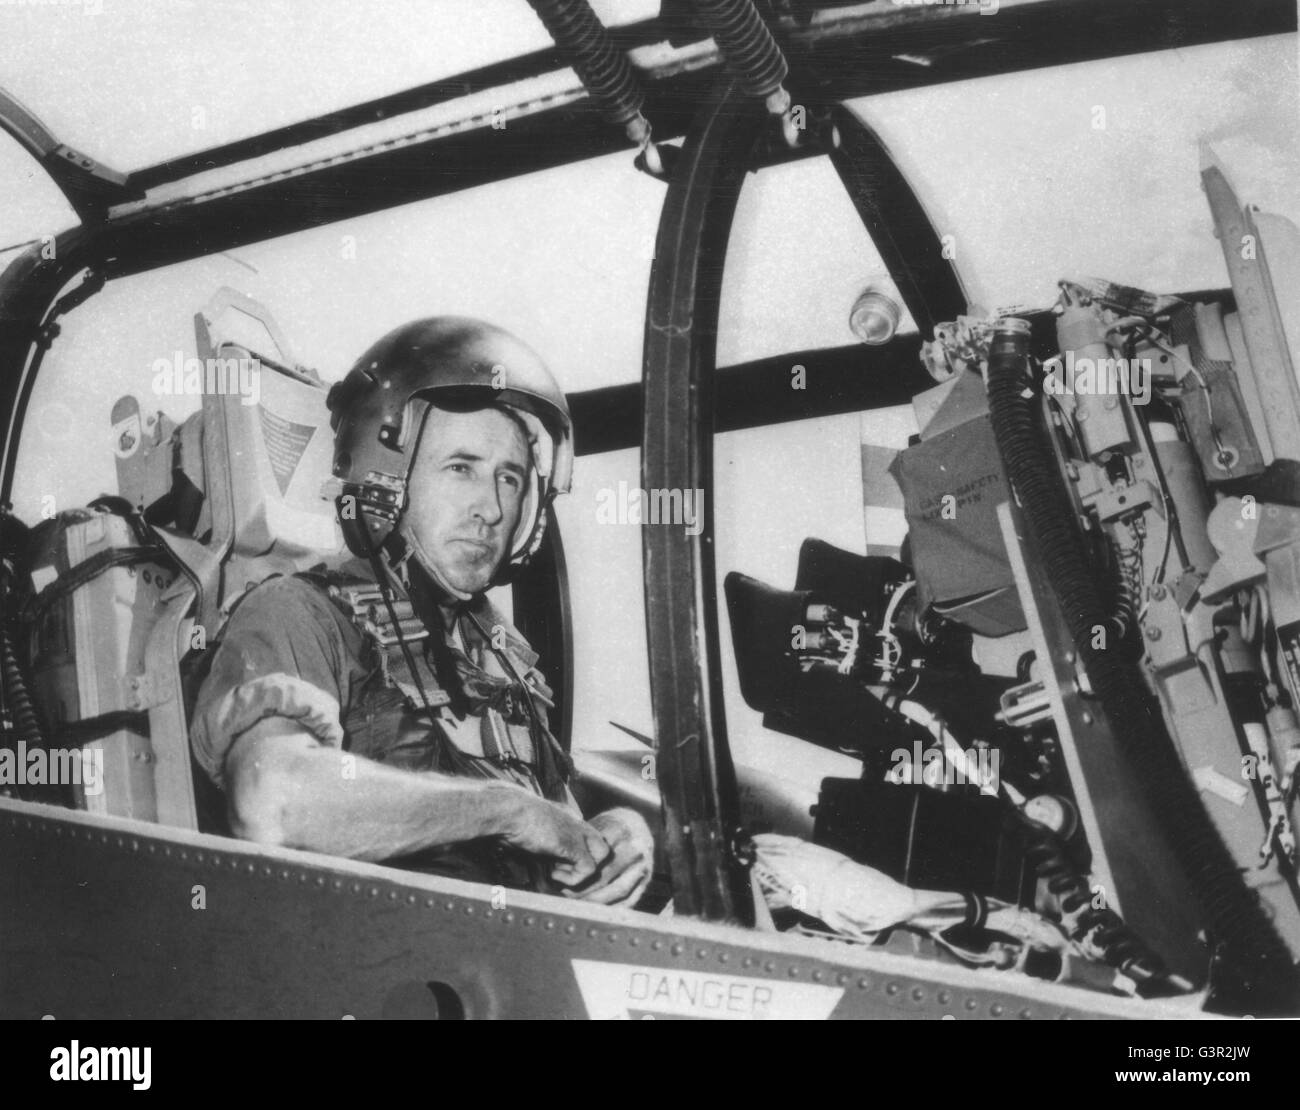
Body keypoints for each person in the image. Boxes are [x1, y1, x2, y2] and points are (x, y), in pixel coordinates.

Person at [190, 317, 654, 907]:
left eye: (508, 478)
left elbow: (557, 830)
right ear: (385, 481)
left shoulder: (503, 659)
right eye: (460, 468)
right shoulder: (299, 612)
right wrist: (502, 811)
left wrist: (617, 841)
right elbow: (271, 800)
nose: (490, 507)